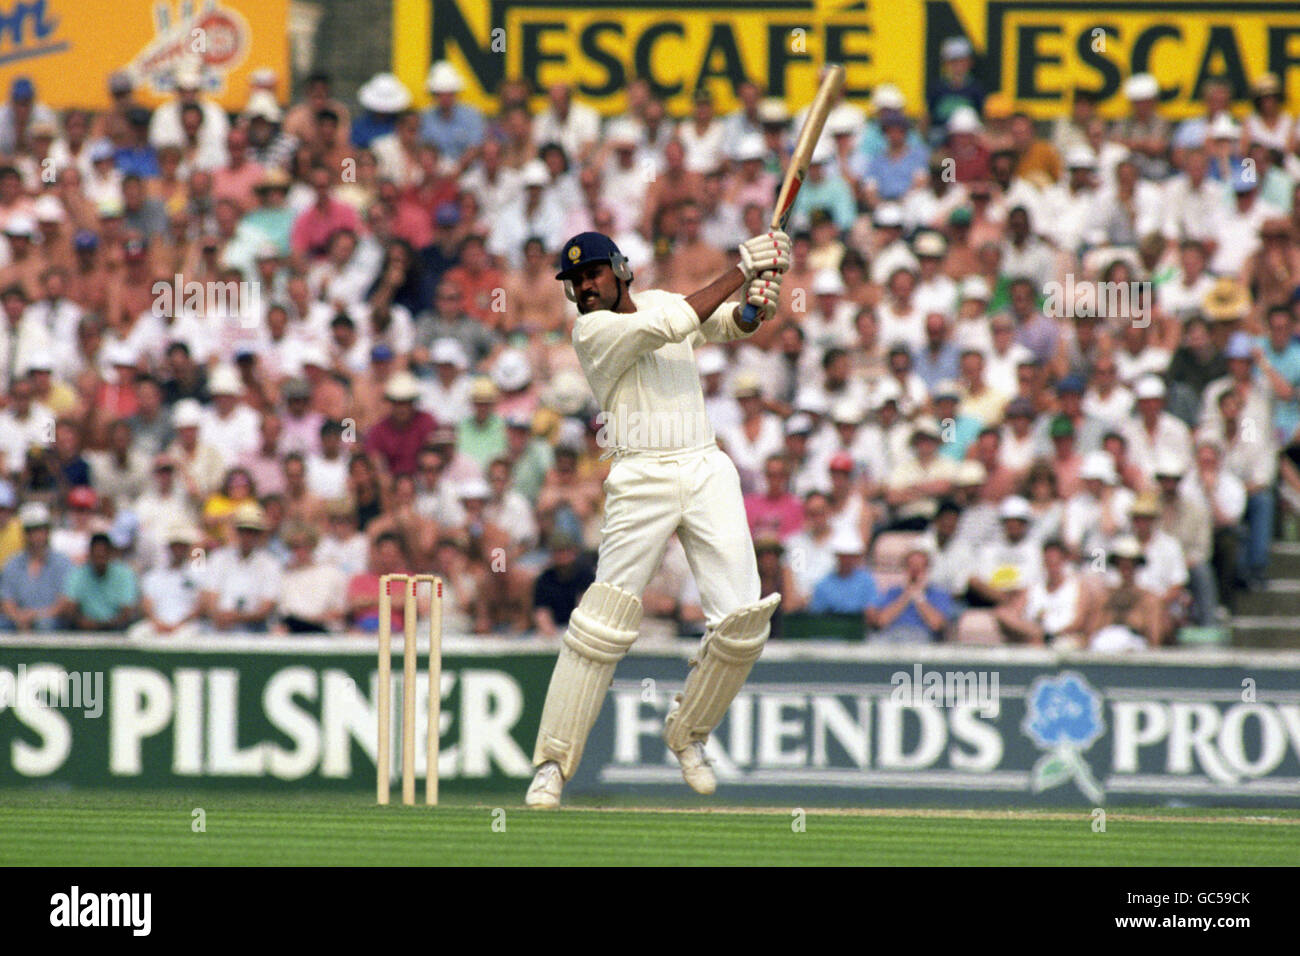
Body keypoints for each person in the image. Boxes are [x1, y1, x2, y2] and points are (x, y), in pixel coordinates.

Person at [525, 227, 791, 809]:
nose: (583, 287)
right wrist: (741, 269)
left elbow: (723, 324)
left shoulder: (669, 300)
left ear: (620, 269)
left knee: (745, 620)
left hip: (702, 462)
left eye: (592, 274)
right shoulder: (591, 329)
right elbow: (670, 327)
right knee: (603, 623)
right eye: (574, 281)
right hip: (640, 473)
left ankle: (688, 732)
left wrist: (754, 304)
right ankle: (551, 763)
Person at [58, 532, 139, 631]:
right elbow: (69, 607)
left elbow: (128, 610)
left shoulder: (125, 574)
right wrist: (81, 621)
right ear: (90, 554)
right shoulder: (78, 574)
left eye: (103, 556)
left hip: (117, 628)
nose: (99, 561)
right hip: (84, 629)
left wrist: (106, 625)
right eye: (96, 556)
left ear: (110, 554)